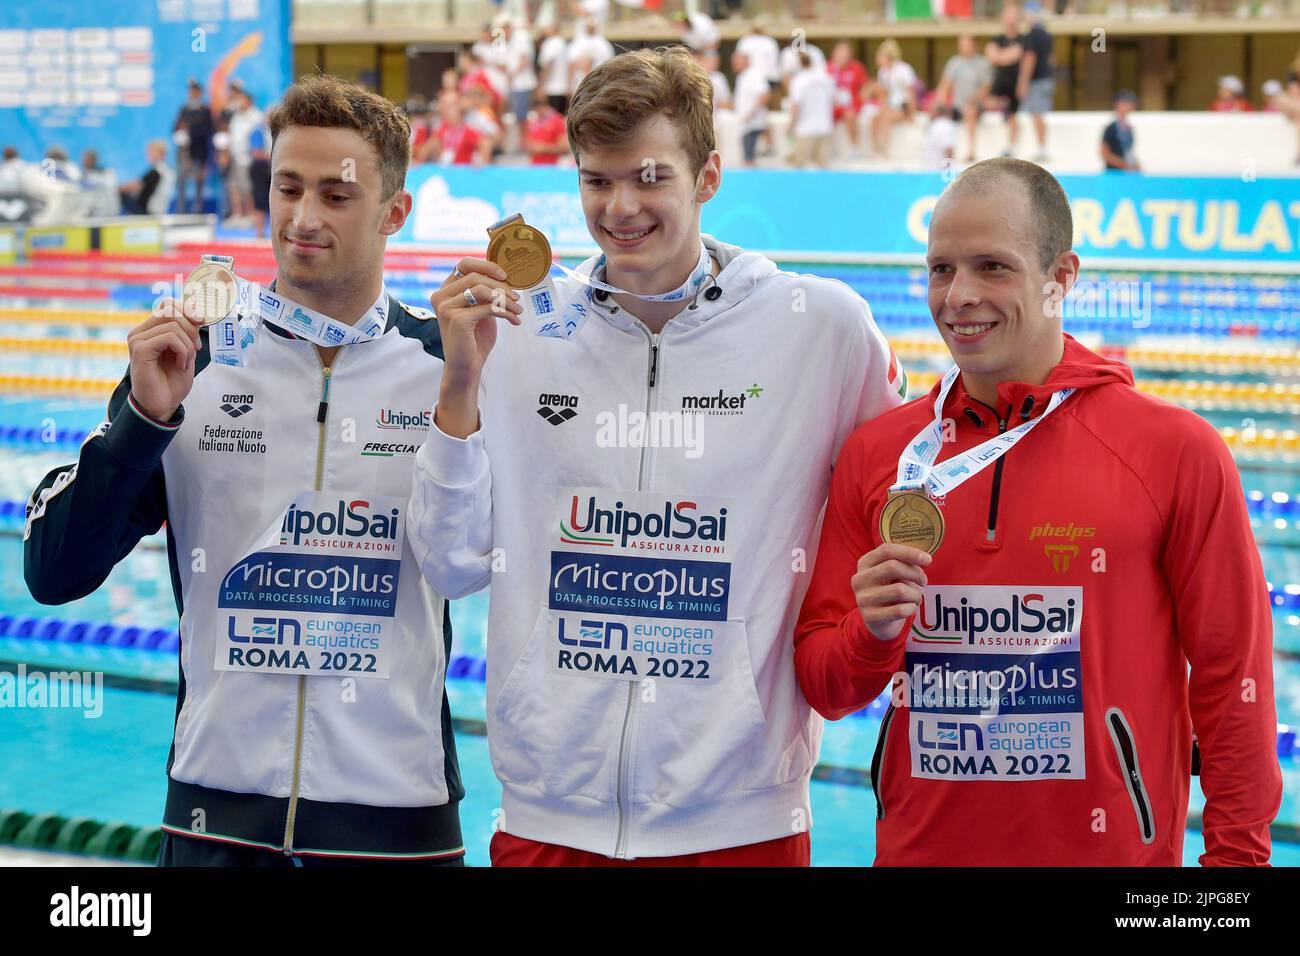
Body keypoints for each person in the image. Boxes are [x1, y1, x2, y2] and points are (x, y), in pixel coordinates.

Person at [407, 46, 906, 867]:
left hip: (740, 821)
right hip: (548, 818)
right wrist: (460, 383)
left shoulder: (821, 328)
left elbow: (899, 501)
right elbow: (453, 562)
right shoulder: (518, 330)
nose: (620, 206)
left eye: (648, 178)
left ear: (708, 176)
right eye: (596, 180)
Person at [24, 74, 467, 867]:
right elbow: (55, 575)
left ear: (395, 213)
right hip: (215, 822)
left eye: (338, 195)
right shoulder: (192, 359)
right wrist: (142, 424)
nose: (303, 218)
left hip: (398, 828)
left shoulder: (446, 363)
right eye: (287, 188)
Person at [793, 157, 1282, 866]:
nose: (958, 296)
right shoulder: (882, 456)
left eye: (993, 267)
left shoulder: (1175, 451)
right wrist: (870, 633)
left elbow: (1233, 681)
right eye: (940, 269)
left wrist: (1234, 871)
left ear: (1061, 278)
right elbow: (824, 688)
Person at [938, 34, 992, 163]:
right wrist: (940, 102)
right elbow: (945, 84)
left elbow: (986, 87)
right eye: (962, 45)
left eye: (967, 45)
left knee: (970, 110)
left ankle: (971, 150)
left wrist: (974, 99)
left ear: (974, 46)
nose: (964, 48)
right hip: (957, 106)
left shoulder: (982, 63)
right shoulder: (954, 62)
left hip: (976, 105)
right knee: (941, 115)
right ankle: (945, 154)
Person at [869, 38, 918, 160]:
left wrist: (912, 113)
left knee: (886, 118)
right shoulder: (883, 72)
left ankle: (886, 152)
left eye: (880, 55)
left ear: (887, 57)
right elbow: (884, 94)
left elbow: (911, 93)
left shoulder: (903, 69)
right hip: (892, 105)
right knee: (874, 119)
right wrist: (882, 108)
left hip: (903, 105)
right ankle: (876, 150)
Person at [986, 4, 1024, 157]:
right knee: (990, 105)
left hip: (1016, 84)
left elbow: (1015, 54)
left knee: (1013, 116)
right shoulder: (997, 39)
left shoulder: (1023, 39)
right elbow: (992, 57)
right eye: (1009, 15)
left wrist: (1001, 56)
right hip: (999, 84)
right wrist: (1006, 56)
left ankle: (1010, 146)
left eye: (1014, 16)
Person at [1017, 1, 1054, 162]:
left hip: (1037, 81)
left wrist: (1023, 82)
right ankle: (1042, 147)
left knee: (1037, 114)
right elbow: (1052, 58)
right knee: (1040, 113)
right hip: (1046, 79)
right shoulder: (1047, 34)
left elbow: (1029, 58)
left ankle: (1042, 148)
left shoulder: (1032, 35)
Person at [173, 78, 215, 214]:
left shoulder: (205, 110)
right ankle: (181, 211)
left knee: (198, 183)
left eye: (195, 91)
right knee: (181, 183)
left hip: (198, 153)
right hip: (183, 154)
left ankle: (197, 211)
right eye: (191, 91)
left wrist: (189, 130)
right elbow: (175, 127)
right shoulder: (184, 109)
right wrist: (180, 133)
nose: (192, 93)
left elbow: (207, 131)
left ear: (200, 93)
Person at [788, 51, 835, 168]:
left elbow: (796, 105)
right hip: (824, 127)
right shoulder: (825, 78)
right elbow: (832, 100)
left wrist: (791, 125)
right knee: (823, 167)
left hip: (805, 129)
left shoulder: (799, 80)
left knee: (799, 166)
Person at [417, 91, 490, 166]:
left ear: (458, 109)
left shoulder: (467, 129)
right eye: (444, 106)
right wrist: (419, 161)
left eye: (449, 107)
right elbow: (428, 147)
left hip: (462, 173)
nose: (446, 111)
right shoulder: (443, 128)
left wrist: (483, 166)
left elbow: (484, 144)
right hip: (447, 171)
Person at [732, 48, 770, 166]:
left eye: (737, 61)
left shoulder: (754, 75)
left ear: (746, 60)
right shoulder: (742, 77)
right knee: (746, 157)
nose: (734, 64)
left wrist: (750, 114)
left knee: (751, 159)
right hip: (745, 124)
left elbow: (765, 95)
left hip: (754, 125)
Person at [829, 41, 869, 155]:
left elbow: (864, 87)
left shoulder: (856, 67)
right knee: (824, 115)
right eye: (840, 52)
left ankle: (854, 146)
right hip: (834, 103)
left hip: (851, 103)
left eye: (845, 52)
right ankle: (829, 146)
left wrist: (863, 101)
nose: (842, 55)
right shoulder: (829, 68)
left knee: (849, 114)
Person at [119, 140, 176, 216]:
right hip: (160, 210)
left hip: (148, 212)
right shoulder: (168, 170)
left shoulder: (157, 171)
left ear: (161, 153)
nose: (148, 154)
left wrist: (117, 189)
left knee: (120, 194)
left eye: (151, 151)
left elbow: (136, 185)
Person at [523, 87, 569, 164]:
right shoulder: (531, 119)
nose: (538, 108)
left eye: (541, 103)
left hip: (552, 166)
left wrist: (544, 148)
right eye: (536, 104)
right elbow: (526, 144)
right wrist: (532, 147)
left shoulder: (557, 120)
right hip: (534, 166)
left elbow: (564, 147)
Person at [537, 17, 571, 113]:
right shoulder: (562, 43)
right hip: (561, 88)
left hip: (552, 88)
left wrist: (541, 86)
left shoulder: (551, 43)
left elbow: (547, 66)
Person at [1100, 89, 1139, 172]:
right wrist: (1124, 164)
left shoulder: (1128, 128)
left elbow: (1128, 151)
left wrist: (1135, 164)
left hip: (1125, 173)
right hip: (1113, 173)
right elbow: (1104, 153)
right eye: (1127, 103)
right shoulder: (1111, 128)